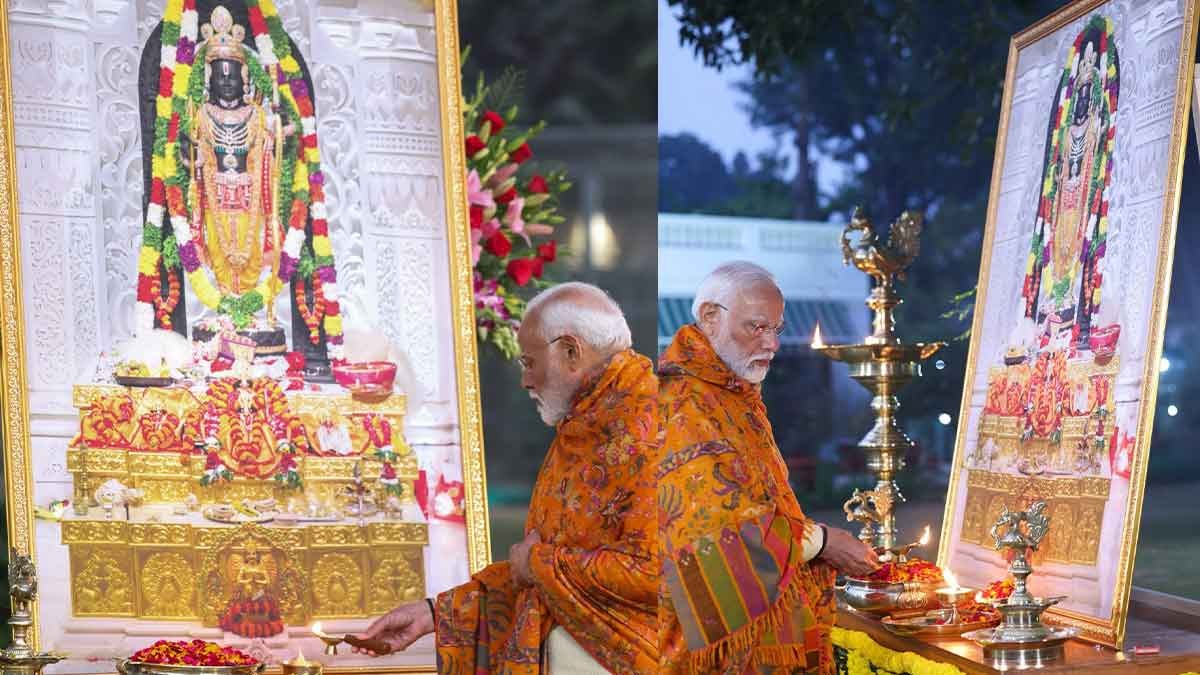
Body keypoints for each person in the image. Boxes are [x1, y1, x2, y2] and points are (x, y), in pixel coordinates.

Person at [356, 282, 660, 673]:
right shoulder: (585, 425)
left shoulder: (650, 431)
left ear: (571, 351)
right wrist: (434, 613)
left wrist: (538, 563)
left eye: (530, 363)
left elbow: (660, 575)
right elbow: (538, 569)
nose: (525, 381)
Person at [658, 261, 880, 673]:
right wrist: (822, 541)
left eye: (776, 329)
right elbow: (713, 533)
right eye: (757, 327)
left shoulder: (731, 393)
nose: (773, 343)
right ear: (709, 316)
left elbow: (758, 502)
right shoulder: (682, 403)